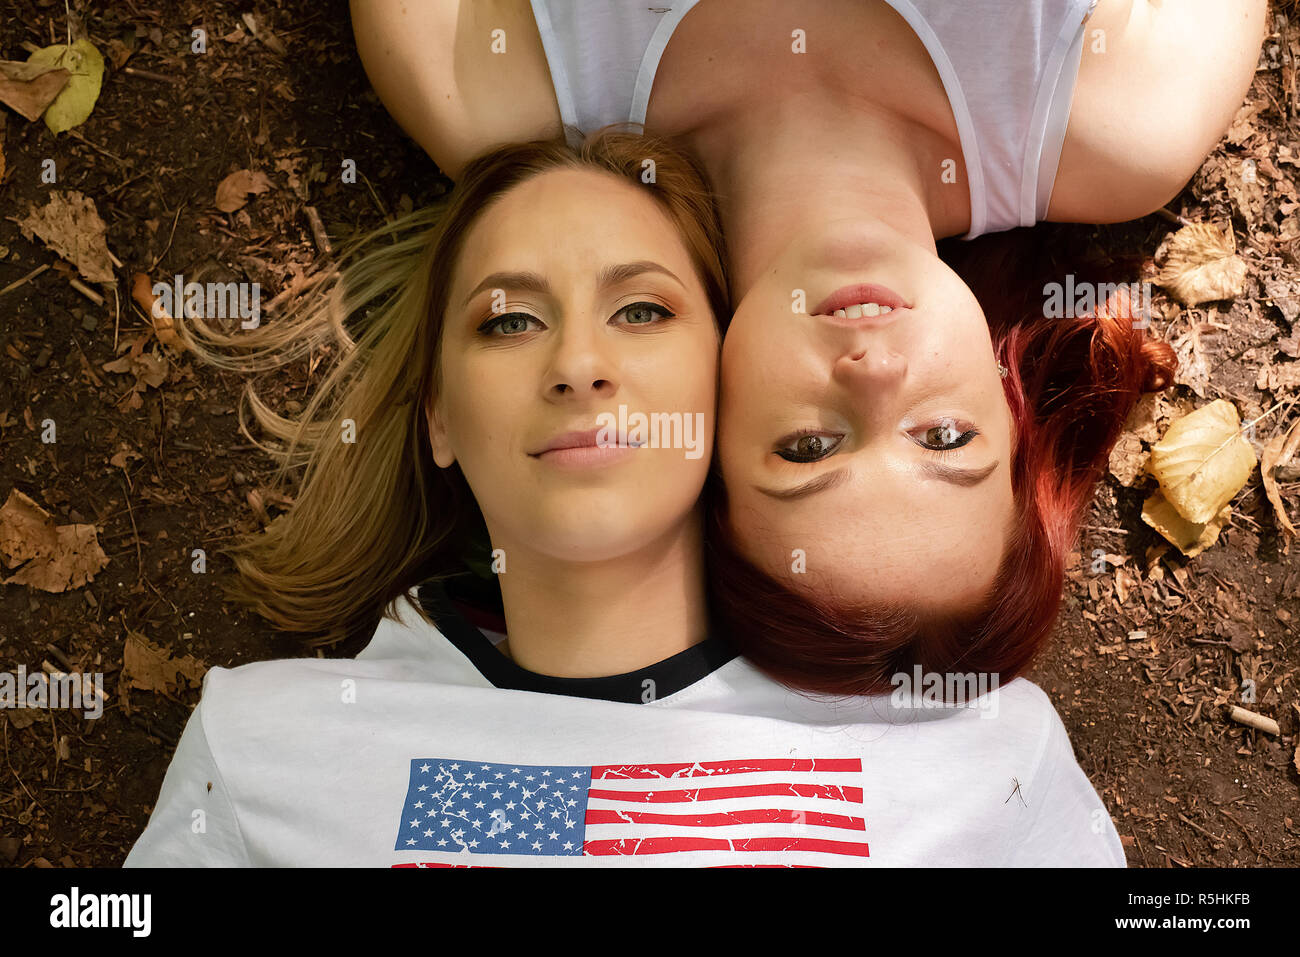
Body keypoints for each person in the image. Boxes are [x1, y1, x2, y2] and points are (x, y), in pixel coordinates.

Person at [121, 124, 1122, 868]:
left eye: (641, 310)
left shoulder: (980, 754)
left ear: (723, 379)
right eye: (507, 322)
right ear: (439, 419)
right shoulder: (261, 750)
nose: (577, 365)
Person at [348, 0, 1266, 696]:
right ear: (1010, 403)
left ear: (707, 441)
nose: (874, 372)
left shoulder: (496, 94)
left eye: (809, 447)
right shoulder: (1128, 116)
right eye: (946, 437)